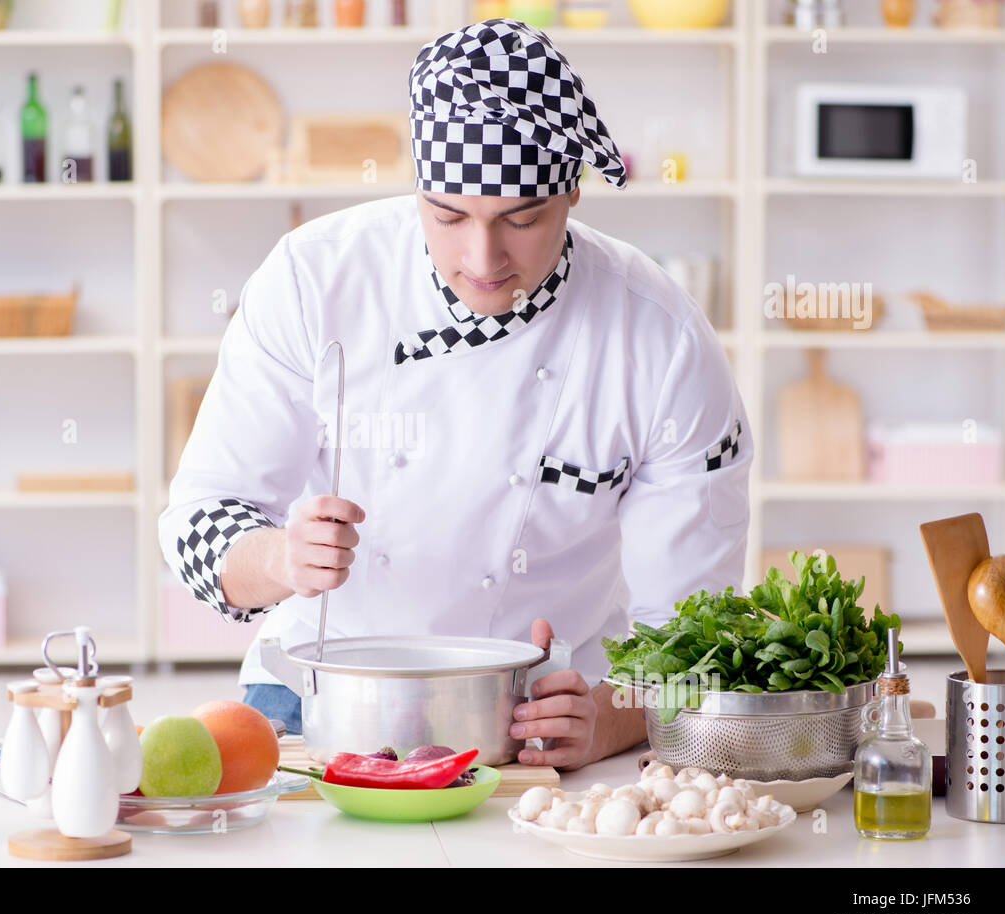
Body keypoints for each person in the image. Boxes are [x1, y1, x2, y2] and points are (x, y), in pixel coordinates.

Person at [157, 18, 753, 771]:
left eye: (521, 219)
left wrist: (609, 717)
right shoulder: (314, 279)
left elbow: (695, 640)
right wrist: (282, 556)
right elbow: (195, 524)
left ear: (571, 192)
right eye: (448, 216)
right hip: (319, 696)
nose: (482, 260)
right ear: (417, 189)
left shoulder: (660, 339)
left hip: (545, 715)